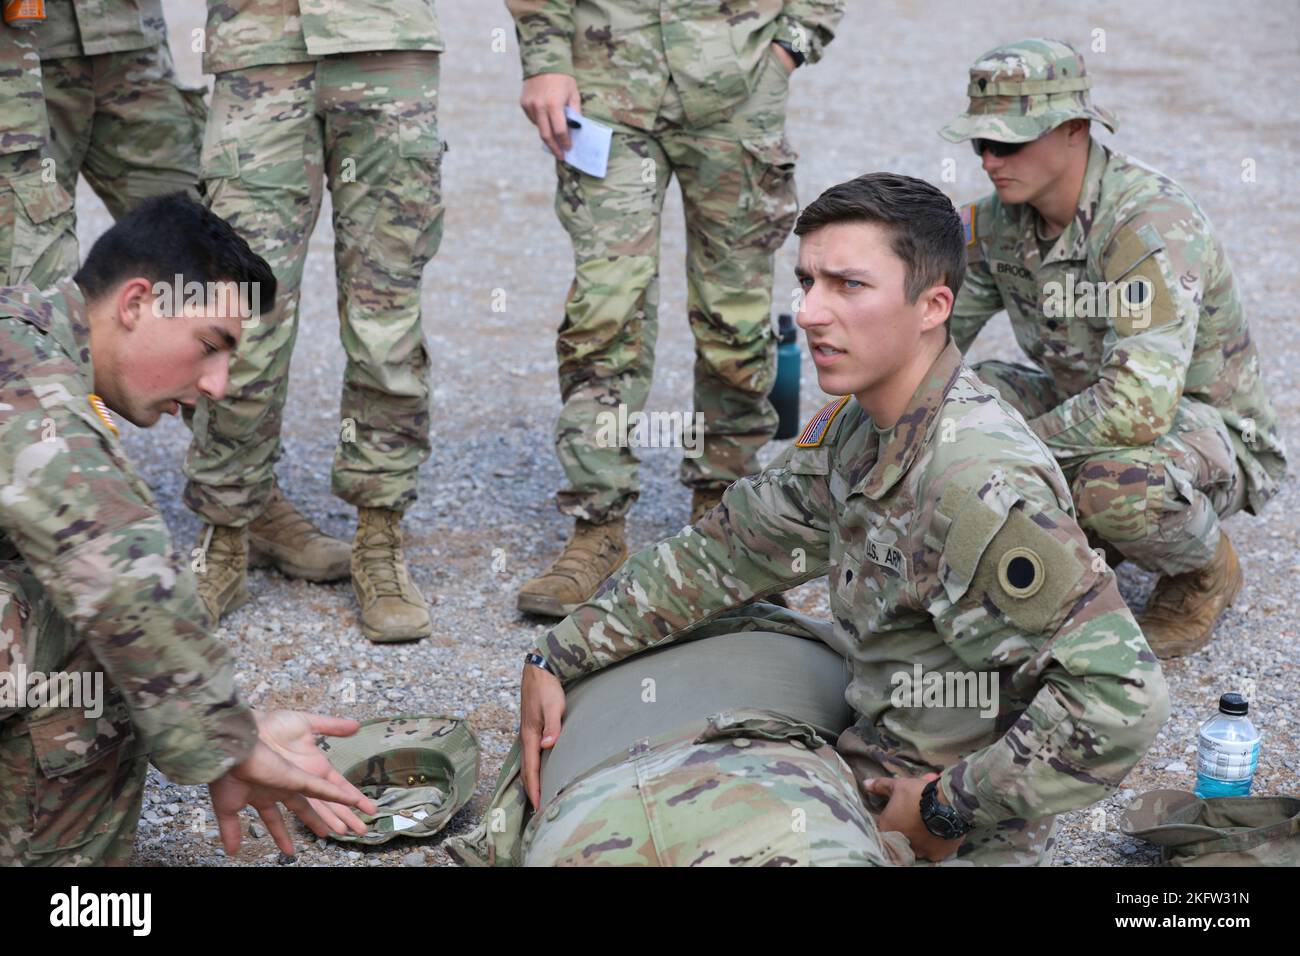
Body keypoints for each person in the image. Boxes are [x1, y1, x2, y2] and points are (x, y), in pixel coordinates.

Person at [512, 173, 1169, 866]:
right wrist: (559, 654)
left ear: (933, 306)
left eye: (848, 286)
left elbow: (1122, 695)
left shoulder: (977, 482)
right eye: (807, 282)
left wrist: (952, 804)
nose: (811, 312)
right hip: (865, 762)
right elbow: (723, 553)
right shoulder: (857, 428)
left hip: (947, 831)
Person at [0, 194, 376, 865]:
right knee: (102, 633)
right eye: (211, 347)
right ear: (138, 303)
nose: (219, 385)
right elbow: (118, 566)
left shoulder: (30, 330)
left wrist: (227, 733)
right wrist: (231, 743)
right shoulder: (28, 378)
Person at [939, 38, 1286, 658]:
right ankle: (1080, 530)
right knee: (968, 397)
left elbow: (1139, 410)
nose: (990, 160)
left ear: (1075, 129)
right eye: (979, 143)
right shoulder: (995, 222)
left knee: (1115, 487)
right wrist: (846, 440)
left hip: (1202, 430)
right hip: (1087, 405)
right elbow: (931, 348)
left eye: (1010, 141)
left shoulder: (1146, 224)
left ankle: (1203, 572)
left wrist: (1010, 459)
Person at [506, 0, 846, 618]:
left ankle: (727, 516)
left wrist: (787, 49)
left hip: (737, 88)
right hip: (606, 84)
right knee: (604, 311)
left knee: (735, 317)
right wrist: (544, 59)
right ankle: (597, 526)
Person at [183, 0, 448, 641]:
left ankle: (380, 538)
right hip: (259, 49)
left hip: (387, 44)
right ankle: (224, 537)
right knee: (240, 312)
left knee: (384, 315)